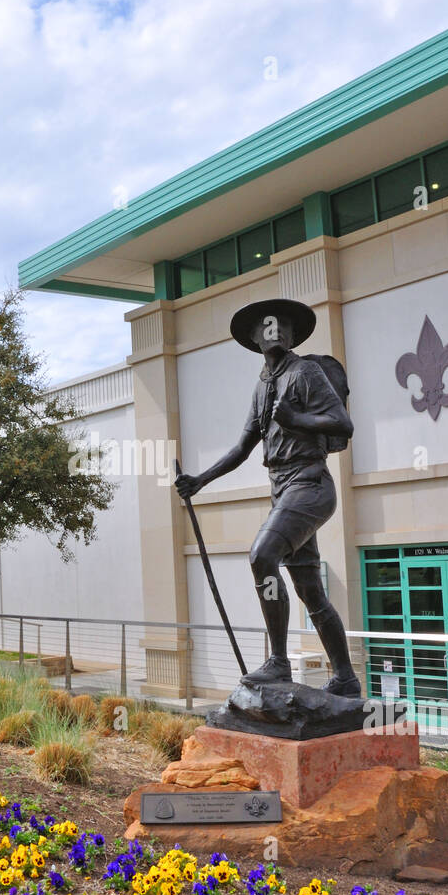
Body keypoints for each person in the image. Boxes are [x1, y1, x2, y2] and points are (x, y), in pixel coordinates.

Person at [174, 298, 361, 698]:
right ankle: (345, 678)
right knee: (311, 590)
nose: (274, 330)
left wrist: (298, 420)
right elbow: (243, 448)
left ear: (293, 334)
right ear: (255, 338)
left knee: (262, 555)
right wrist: (199, 481)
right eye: (266, 326)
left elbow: (342, 424)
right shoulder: (262, 387)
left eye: (281, 325)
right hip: (283, 489)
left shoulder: (305, 371)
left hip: (310, 484)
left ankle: (277, 661)